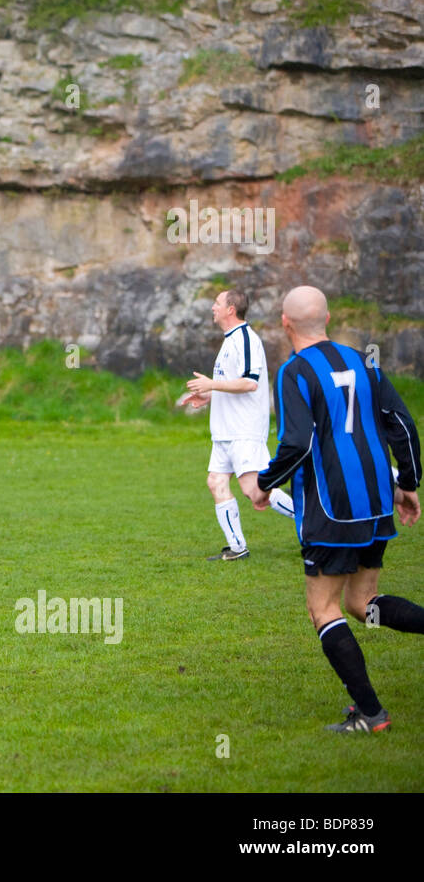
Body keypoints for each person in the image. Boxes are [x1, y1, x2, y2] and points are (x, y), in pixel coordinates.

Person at [251, 286, 423, 733]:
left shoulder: (294, 371)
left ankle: (371, 714)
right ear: (327, 317)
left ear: (285, 323)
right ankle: (370, 711)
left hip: (331, 509)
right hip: (376, 500)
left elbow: (297, 442)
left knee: (324, 609)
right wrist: (407, 482)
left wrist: (263, 485)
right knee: (363, 602)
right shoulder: (365, 361)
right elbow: (401, 423)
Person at [181, 289, 294, 561]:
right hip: (224, 431)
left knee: (255, 491)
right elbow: (232, 383)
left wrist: (211, 384)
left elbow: (249, 383)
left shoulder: (245, 339)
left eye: (217, 303)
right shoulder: (229, 340)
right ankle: (237, 547)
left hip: (243, 431)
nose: (213, 307)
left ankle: (319, 523)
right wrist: (208, 396)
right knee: (216, 482)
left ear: (231, 309)